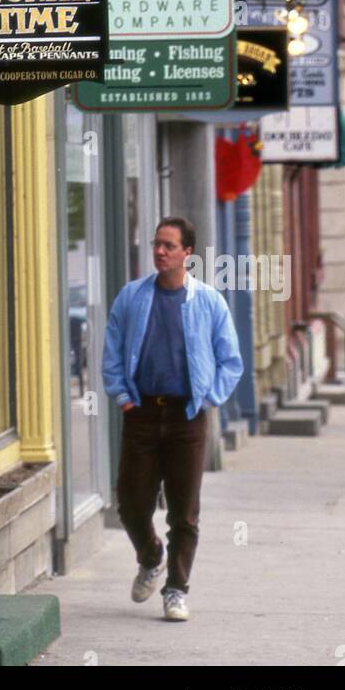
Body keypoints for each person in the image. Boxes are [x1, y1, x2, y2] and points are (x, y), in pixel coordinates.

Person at [102, 216, 243, 621]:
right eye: (156, 244)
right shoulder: (131, 297)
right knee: (130, 503)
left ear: (187, 253)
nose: (159, 251)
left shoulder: (209, 302)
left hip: (187, 416)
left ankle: (176, 589)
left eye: (168, 246)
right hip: (142, 413)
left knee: (184, 512)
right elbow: (112, 353)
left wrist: (208, 399)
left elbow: (230, 362)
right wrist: (123, 398)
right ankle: (151, 556)